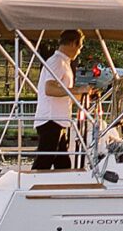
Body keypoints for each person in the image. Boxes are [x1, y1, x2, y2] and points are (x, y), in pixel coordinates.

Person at [32, 29, 84, 171]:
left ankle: (61, 187)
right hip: (50, 120)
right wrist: (77, 90)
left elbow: (64, 93)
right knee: (44, 161)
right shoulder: (56, 62)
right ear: (74, 44)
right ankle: (32, 186)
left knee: (63, 163)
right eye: (80, 47)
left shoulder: (64, 63)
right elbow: (49, 89)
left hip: (58, 120)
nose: (79, 51)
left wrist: (85, 95)